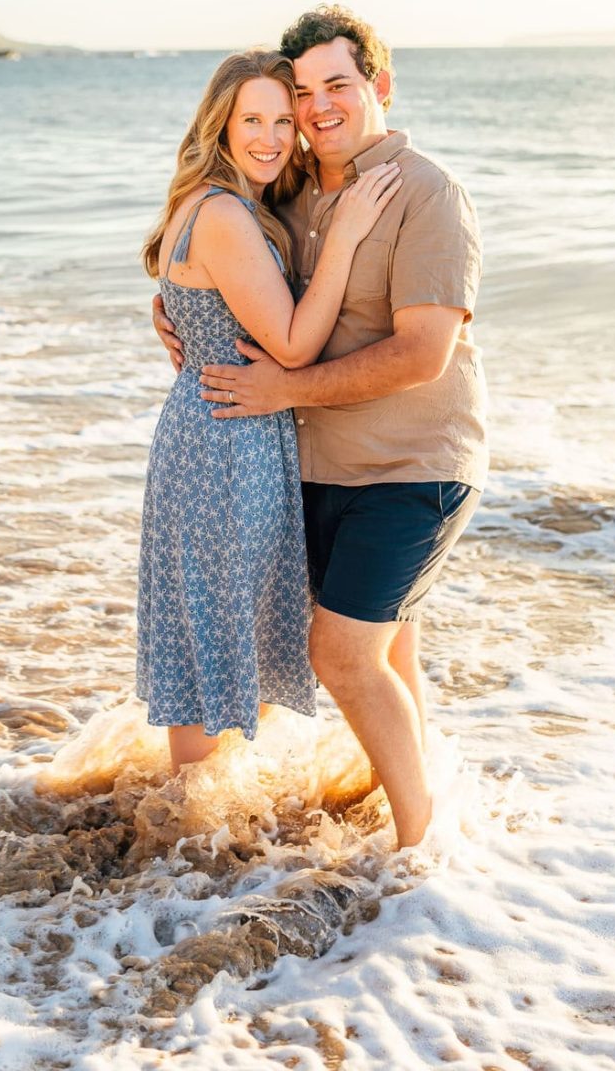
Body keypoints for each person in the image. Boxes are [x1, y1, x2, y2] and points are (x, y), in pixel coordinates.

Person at [153, 8, 488, 846]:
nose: (313, 108)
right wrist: (178, 313)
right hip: (310, 464)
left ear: (377, 84)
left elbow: (422, 354)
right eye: (300, 92)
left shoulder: (425, 192)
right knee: (391, 649)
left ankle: (421, 850)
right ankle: (406, 792)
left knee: (341, 655)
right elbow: (226, 270)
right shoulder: (293, 191)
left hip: (409, 467)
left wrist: (284, 386)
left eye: (335, 85)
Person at [138, 47, 402, 774]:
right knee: (217, 634)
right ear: (219, 125)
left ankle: (196, 832)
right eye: (251, 119)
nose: (271, 137)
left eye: (284, 120)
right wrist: (345, 235)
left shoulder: (222, 206)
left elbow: (196, 301)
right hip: (228, 441)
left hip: (218, 431)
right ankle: (189, 843)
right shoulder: (224, 213)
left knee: (219, 626)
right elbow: (289, 345)